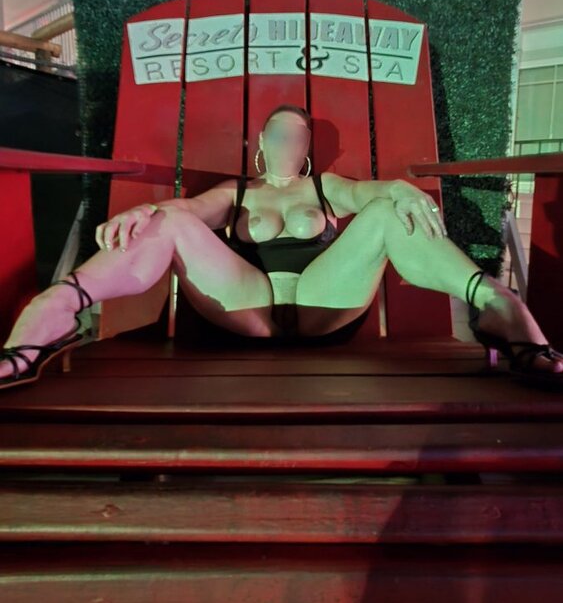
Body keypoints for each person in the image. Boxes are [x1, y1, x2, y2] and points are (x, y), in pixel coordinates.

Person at [1, 104, 562, 391]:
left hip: (326, 302)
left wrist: (395, 188)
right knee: (167, 217)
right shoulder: (236, 192)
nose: (289, 141)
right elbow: (190, 213)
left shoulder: (325, 187)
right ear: (261, 144)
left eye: (298, 135)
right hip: (247, 308)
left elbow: (366, 194)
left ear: (307, 147)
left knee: (388, 209)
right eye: (279, 133)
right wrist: (147, 212)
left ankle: (495, 303)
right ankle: (58, 306)